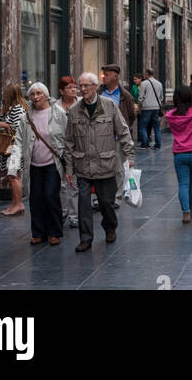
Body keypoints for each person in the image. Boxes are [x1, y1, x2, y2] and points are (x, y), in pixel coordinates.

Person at [65, 72, 134, 252]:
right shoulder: (74, 111)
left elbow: (123, 131)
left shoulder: (109, 106)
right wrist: (69, 168)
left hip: (106, 165)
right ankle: (86, 238)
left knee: (106, 203)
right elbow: (69, 141)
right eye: (81, 85)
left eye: (87, 85)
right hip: (83, 165)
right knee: (84, 205)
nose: (83, 89)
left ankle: (110, 227)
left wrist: (129, 156)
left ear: (95, 86)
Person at [10, 82, 67, 245]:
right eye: (32, 94)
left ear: (46, 94)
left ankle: (55, 232)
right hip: (33, 165)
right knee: (35, 199)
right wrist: (13, 167)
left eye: (39, 93)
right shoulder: (25, 117)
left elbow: (68, 137)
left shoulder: (58, 113)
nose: (35, 97)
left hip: (53, 164)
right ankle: (39, 232)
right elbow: (18, 143)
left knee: (50, 195)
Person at [165, 85, 192, 222]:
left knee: (183, 184)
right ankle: (191, 207)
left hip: (179, 153)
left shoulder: (171, 116)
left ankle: (185, 212)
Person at [100, 64, 138, 206]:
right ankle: (100, 197)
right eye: (104, 74)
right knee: (101, 168)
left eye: (107, 74)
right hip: (100, 138)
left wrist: (123, 130)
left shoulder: (125, 96)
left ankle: (117, 197)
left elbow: (131, 115)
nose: (104, 76)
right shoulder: (99, 92)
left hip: (116, 138)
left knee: (119, 168)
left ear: (115, 77)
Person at [0, 83, 29, 216]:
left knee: (13, 176)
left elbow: (18, 128)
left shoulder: (18, 109)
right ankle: (14, 204)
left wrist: (3, 124)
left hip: (15, 148)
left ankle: (19, 204)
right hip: (12, 148)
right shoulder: (11, 108)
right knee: (13, 176)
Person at [54, 76, 80, 228]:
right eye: (69, 87)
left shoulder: (81, 104)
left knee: (74, 184)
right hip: (58, 150)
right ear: (61, 91)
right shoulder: (54, 107)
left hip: (77, 149)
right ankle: (63, 211)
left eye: (74, 87)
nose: (73, 90)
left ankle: (75, 215)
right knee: (61, 184)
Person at [138, 68, 165, 151]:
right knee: (156, 126)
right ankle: (157, 144)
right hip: (156, 107)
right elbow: (161, 97)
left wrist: (139, 102)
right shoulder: (159, 84)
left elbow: (141, 96)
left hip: (146, 107)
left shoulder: (144, 83)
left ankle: (145, 144)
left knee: (143, 126)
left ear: (147, 74)